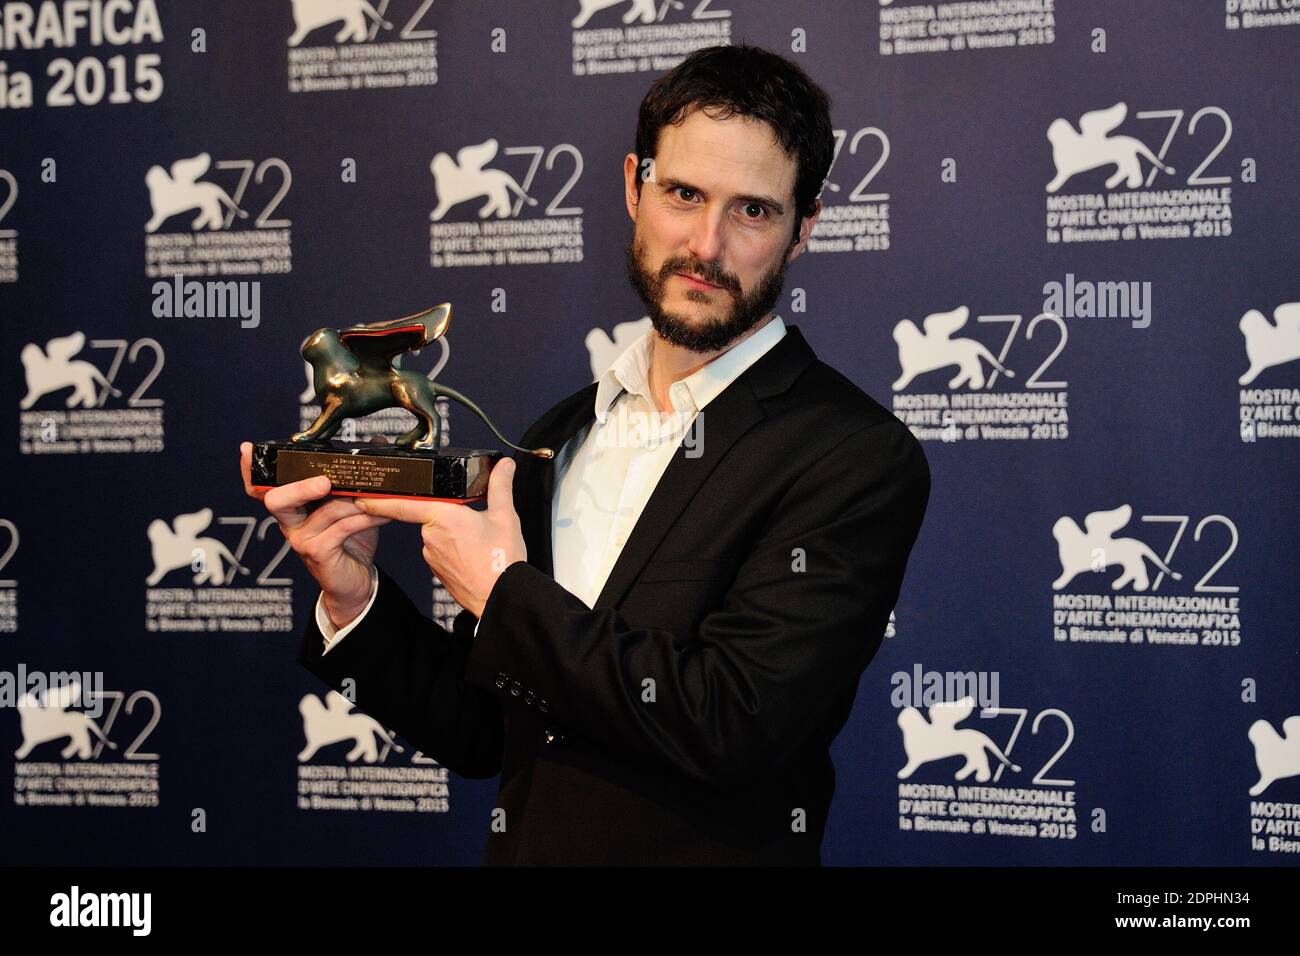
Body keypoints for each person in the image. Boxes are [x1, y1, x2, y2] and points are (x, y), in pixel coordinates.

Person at [239, 44, 929, 865]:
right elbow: (487, 729)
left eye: (752, 211)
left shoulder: (851, 456)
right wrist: (356, 600)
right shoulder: (559, 433)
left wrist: (504, 594)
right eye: (683, 194)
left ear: (803, 228)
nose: (707, 245)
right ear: (633, 185)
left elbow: (735, 725)